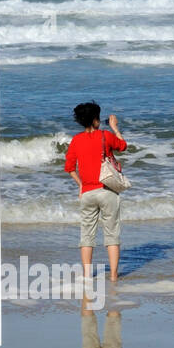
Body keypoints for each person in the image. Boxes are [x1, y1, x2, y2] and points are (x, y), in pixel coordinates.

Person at [64, 102, 127, 281]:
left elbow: (69, 168)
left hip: (88, 193)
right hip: (107, 190)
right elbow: (122, 146)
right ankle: (114, 276)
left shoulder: (76, 140)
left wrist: (81, 185)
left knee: (87, 235)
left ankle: (86, 275)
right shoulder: (105, 135)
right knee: (112, 233)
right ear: (95, 120)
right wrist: (115, 127)